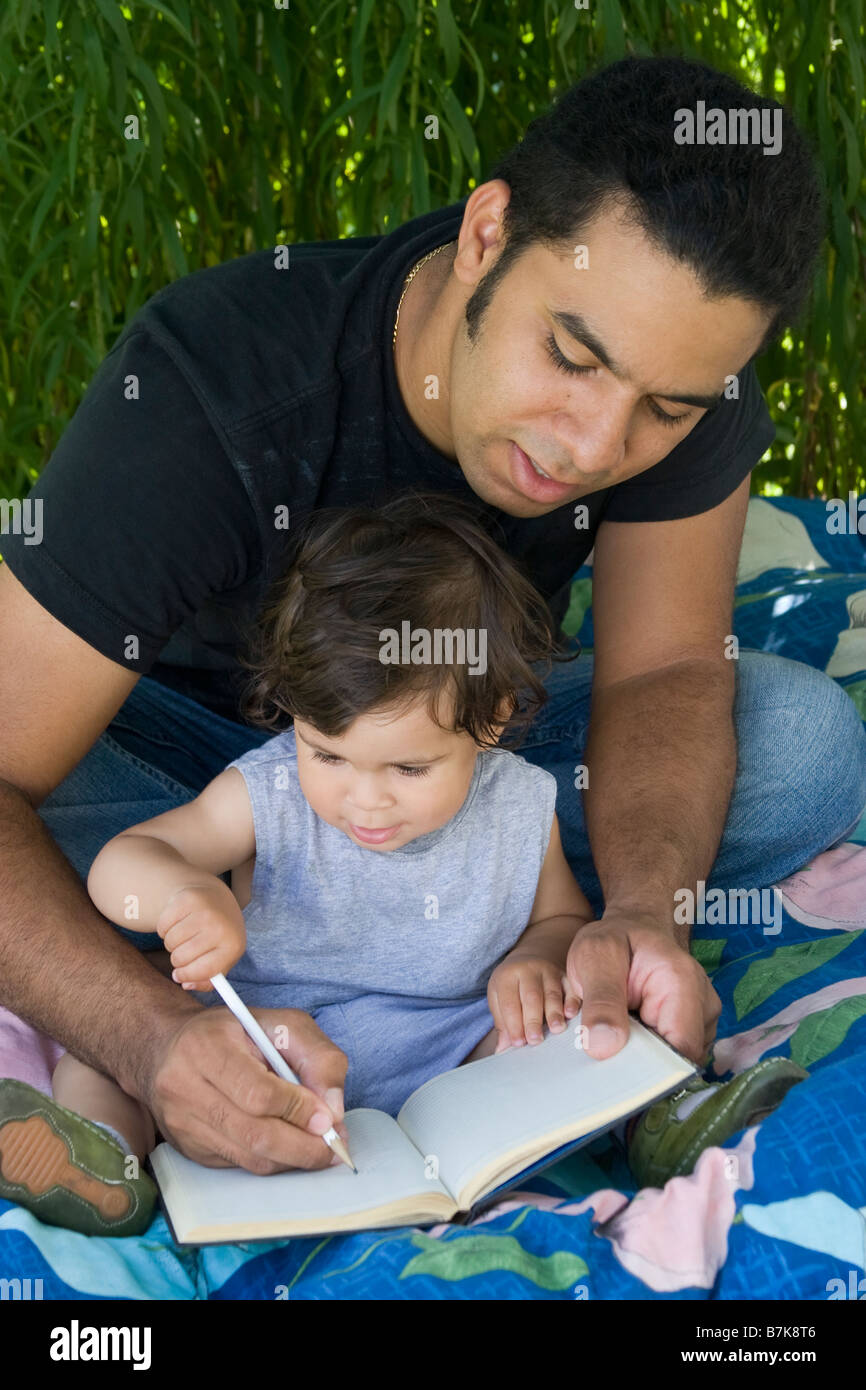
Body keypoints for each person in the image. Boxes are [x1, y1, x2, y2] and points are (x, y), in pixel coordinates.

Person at [0, 55, 864, 1179]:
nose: (591, 448)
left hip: (460, 764)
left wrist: (643, 912)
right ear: (485, 234)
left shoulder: (684, 387)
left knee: (800, 744)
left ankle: (455, 930)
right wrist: (150, 1033)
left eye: (662, 408)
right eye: (568, 355)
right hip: (184, 772)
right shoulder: (211, 384)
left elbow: (663, 679)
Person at [0, 498, 807, 1234]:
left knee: (584, 1028)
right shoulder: (271, 792)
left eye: (408, 770)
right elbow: (124, 859)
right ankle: (97, 1155)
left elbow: (562, 918)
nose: (364, 802)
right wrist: (177, 891)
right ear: (293, 714)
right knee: (105, 1060)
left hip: (452, 1051)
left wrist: (532, 960)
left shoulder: (518, 808)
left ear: (490, 722)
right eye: (330, 754)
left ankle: (657, 1113)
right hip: (262, 1050)